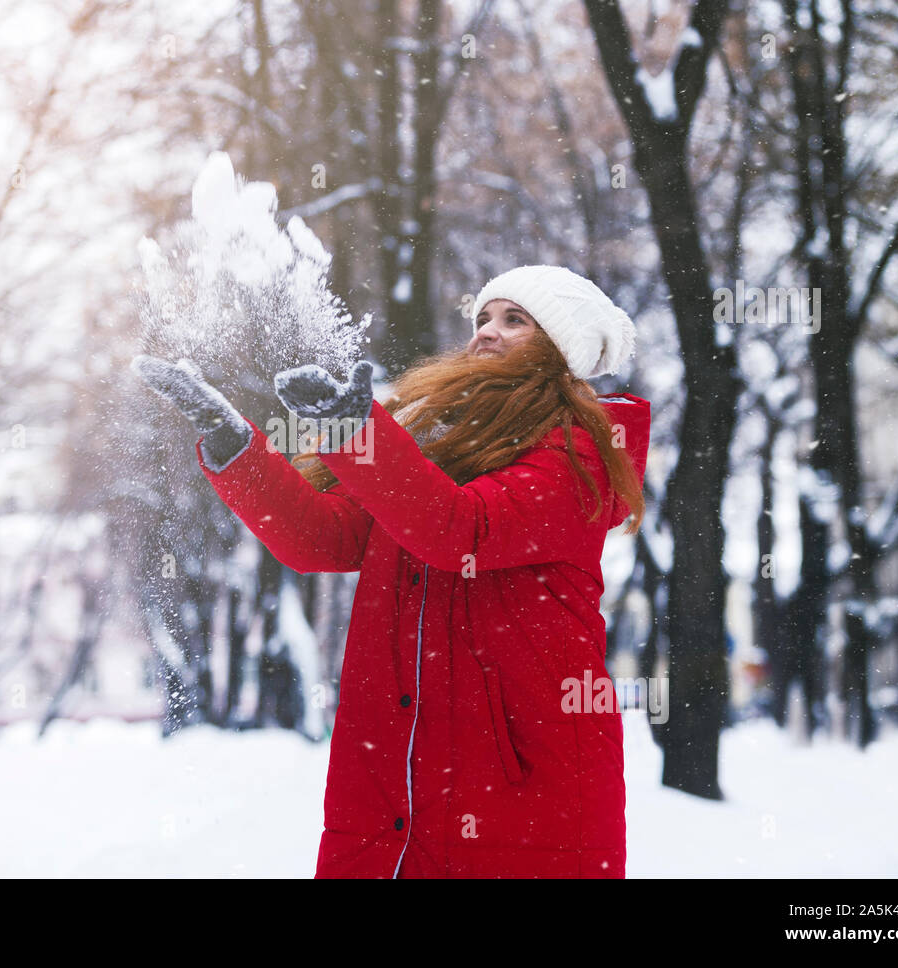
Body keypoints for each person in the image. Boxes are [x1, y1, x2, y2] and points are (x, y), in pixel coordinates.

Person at [135, 264, 650, 878]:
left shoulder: (579, 454)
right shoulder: (437, 444)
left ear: (564, 349)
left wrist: (356, 432)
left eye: (516, 320)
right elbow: (323, 539)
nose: (487, 331)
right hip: (397, 783)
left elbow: (460, 528)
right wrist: (233, 444)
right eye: (483, 317)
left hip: (521, 791)